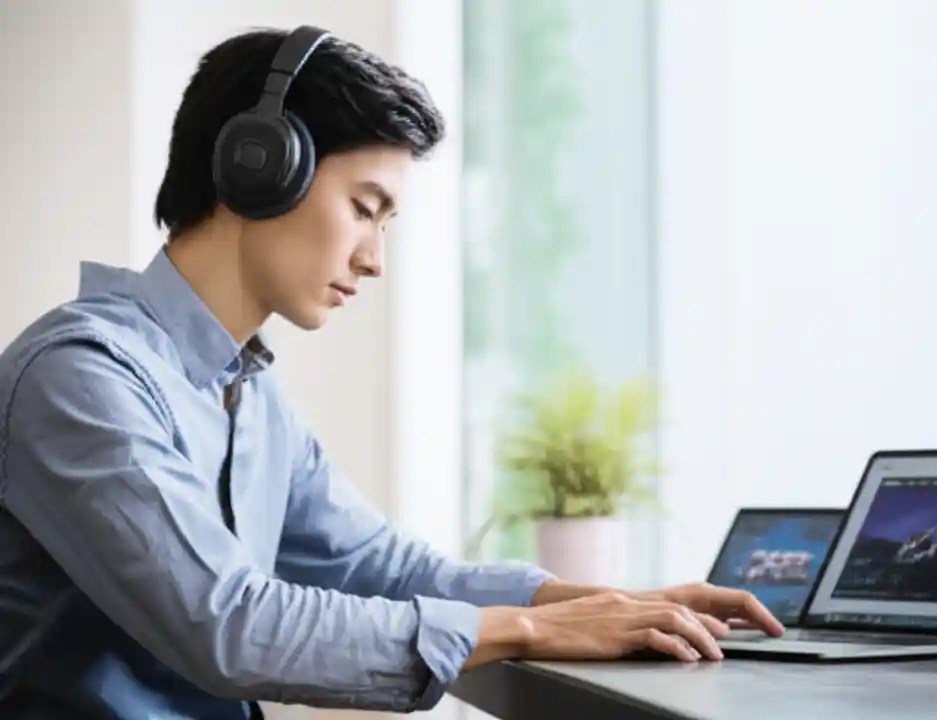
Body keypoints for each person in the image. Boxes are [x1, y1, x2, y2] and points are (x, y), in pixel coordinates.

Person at [0, 25, 782, 719]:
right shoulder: (82, 378)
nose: (374, 259)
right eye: (364, 207)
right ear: (257, 169)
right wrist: (537, 628)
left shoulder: (249, 396)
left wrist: (611, 605)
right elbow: (229, 626)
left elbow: (383, 567)